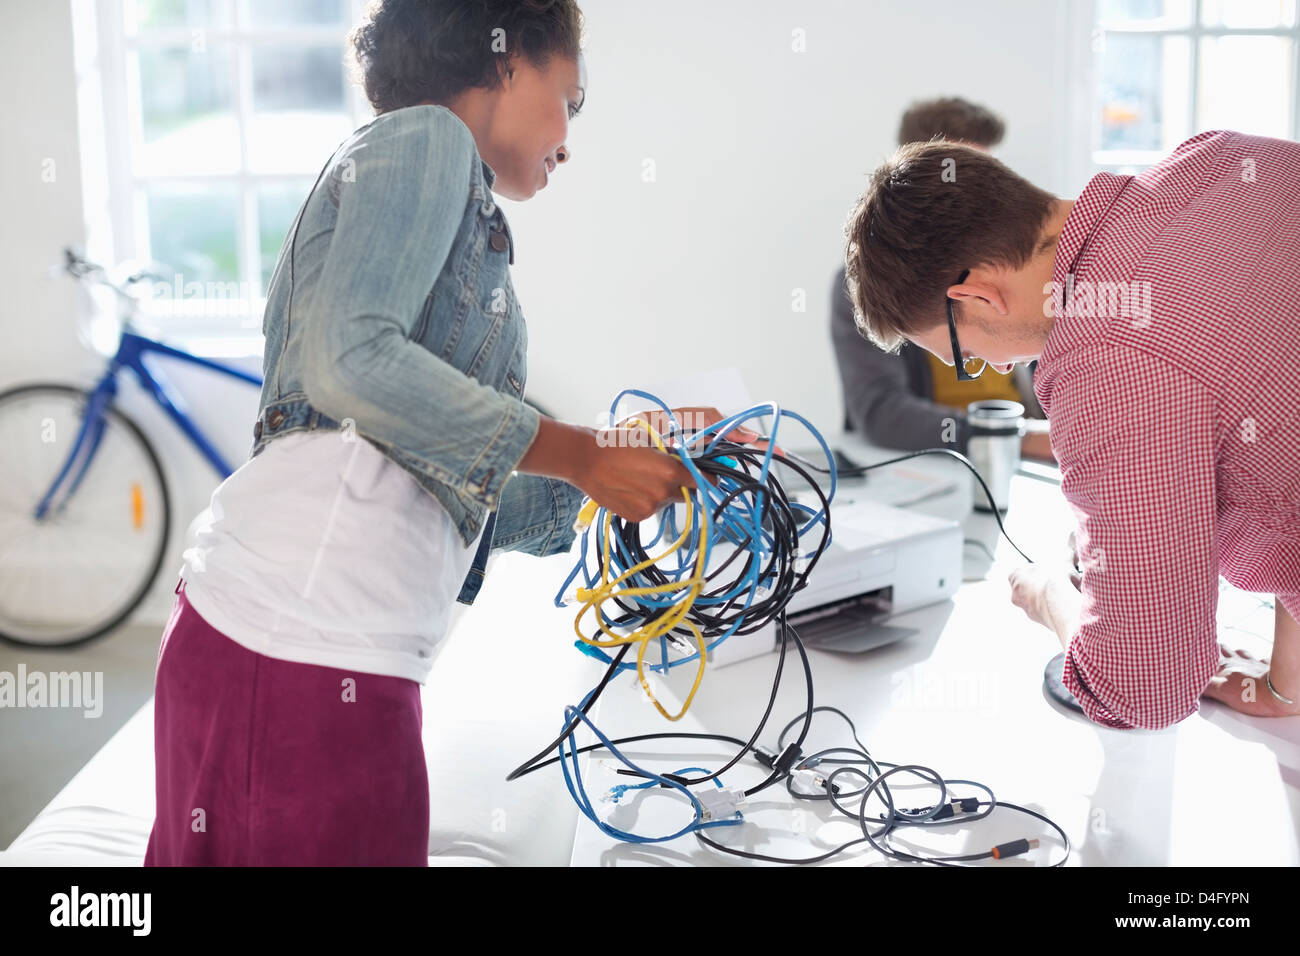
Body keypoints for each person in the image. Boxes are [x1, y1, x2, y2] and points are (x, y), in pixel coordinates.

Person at [144, 0, 759, 866]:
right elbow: (350, 362)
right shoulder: (426, 136)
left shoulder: (434, 199)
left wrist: (625, 462)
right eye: (569, 101)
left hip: (329, 658)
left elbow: (456, 494)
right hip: (291, 648)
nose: (569, 141)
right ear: (505, 60)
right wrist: (583, 454)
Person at [842, 131, 1300, 729]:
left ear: (979, 296)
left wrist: (1051, 596)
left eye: (966, 355)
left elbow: (1145, 689)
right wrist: (1284, 685)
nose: (993, 369)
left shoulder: (1103, 363)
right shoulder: (1218, 158)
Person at [831, 96, 1053, 461]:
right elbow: (881, 412)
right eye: (960, 178)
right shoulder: (876, 285)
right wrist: (1009, 436)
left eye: (988, 175)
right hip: (947, 458)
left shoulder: (1019, 263)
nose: (983, 197)